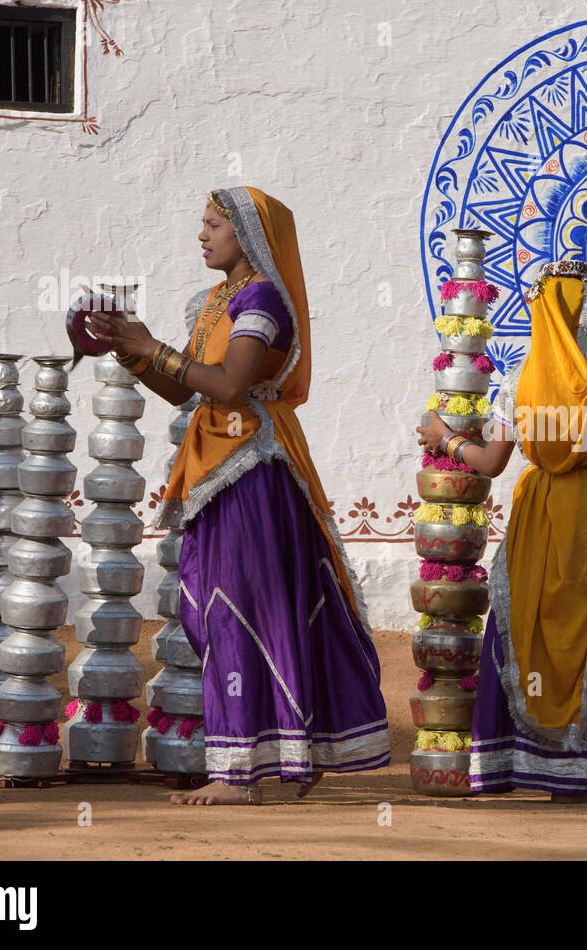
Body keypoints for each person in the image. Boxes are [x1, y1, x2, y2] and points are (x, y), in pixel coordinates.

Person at [86, 186, 390, 805]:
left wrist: (155, 350)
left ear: (247, 236)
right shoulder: (216, 302)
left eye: (214, 225)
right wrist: (135, 350)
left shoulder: (262, 299)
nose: (202, 235)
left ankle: (237, 772)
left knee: (237, 606)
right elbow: (185, 392)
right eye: (202, 224)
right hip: (216, 467)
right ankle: (274, 756)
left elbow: (227, 385)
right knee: (212, 605)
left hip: (251, 467)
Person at [416, 260, 587, 802]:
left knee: (533, 626)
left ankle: (544, 766)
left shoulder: (521, 383)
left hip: (540, 519)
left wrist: (444, 439)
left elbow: (492, 461)